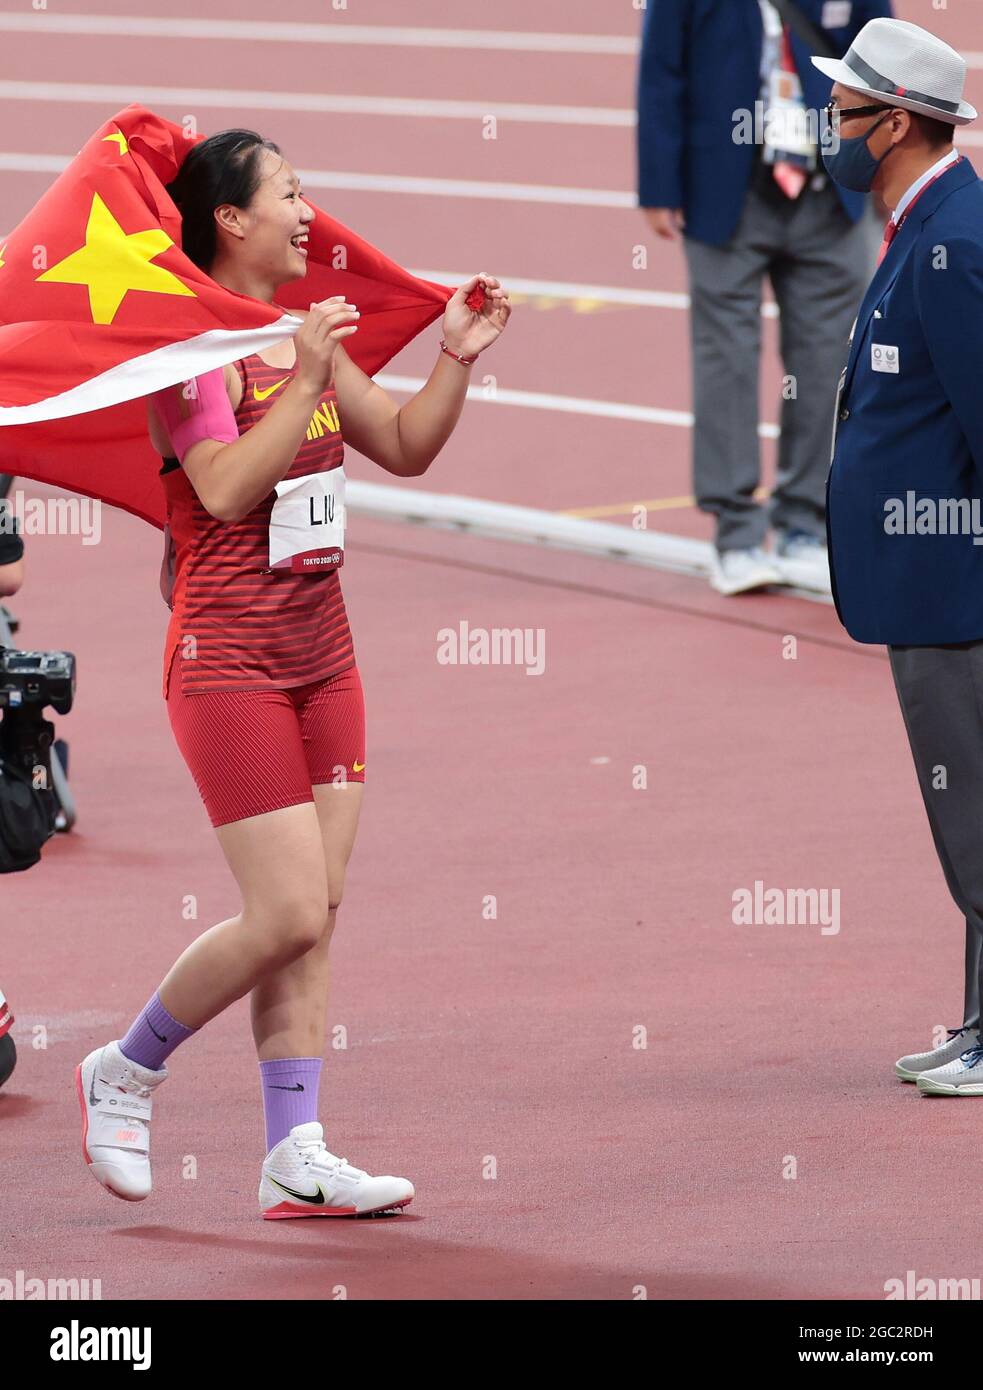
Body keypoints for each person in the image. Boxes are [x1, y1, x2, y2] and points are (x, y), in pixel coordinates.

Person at [75, 129, 511, 1217]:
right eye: (290, 193)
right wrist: (303, 374)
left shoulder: (294, 329)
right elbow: (220, 489)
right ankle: (125, 1067)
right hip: (227, 660)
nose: (312, 212)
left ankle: (294, 1150)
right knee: (282, 913)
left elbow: (404, 444)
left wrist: (452, 354)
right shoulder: (191, 350)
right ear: (229, 220)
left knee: (317, 907)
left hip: (325, 654)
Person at [813, 19, 983, 1094]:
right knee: (963, 808)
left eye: (843, 113)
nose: (828, 128)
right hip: (922, 581)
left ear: (894, 124)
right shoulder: (924, 224)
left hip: (948, 586)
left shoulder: (949, 243)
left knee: (971, 810)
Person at [637, 0, 890, 596]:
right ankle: (737, 532)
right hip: (724, 190)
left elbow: (881, 60)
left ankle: (805, 522)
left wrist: (884, 172)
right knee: (726, 358)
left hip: (831, 194)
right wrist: (658, 184)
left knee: (830, 360)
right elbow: (661, 70)